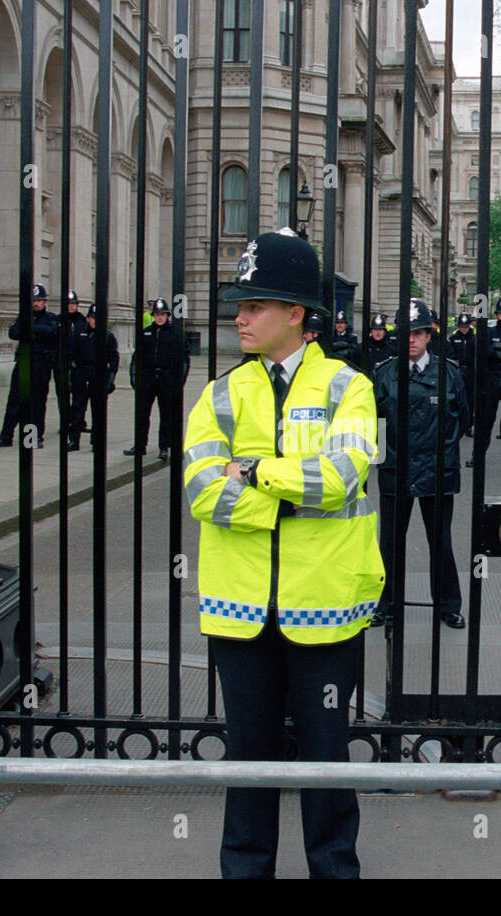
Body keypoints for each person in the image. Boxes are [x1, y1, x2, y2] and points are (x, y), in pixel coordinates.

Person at [182, 228, 383, 878]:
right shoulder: (218, 393)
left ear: (297, 313)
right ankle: (244, 871)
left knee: (325, 758)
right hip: (240, 612)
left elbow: (341, 476)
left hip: (323, 608)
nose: (239, 317)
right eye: (239, 305)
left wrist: (257, 473)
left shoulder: (348, 388)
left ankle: (334, 870)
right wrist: (289, 491)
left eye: (255, 305)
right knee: (249, 759)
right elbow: (202, 492)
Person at [371, 298, 469, 630]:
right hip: (396, 468)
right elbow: (375, 422)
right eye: (405, 333)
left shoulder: (449, 374)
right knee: (390, 542)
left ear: (430, 335)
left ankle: (447, 604)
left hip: (436, 470)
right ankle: (386, 604)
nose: (410, 339)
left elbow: (463, 418)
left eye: (418, 332)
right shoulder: (384, 374)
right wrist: (384, 459)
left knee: (440, 541)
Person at [0, 284, 58, 448]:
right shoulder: (24, 316)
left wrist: (30, 330)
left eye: (39, 300)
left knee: (37, 402)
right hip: (23, 363)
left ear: (44, 302)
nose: (36, 304)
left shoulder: (51, 317)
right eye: (34, 301)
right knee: (14, 400)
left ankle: (34, 437)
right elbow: (13, 333)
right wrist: (35, 332)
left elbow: (51, 332)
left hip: (40, 364)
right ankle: (6, 436)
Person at [125, 296, 188, 461]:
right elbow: (136, 357)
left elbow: (184, 359)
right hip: (147, 376)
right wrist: (134, 376)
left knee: (166, 414)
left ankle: (164, 446)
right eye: (157, 314)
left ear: (167, 315)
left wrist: (179, 380)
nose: (159, 317)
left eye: (163, 314)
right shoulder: (146, 332)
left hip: (166, 377)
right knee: (142, 413)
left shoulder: (175, 333)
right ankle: (140, 445)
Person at [468, 294, 501, 468]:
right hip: (492, 378)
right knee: (485, 421)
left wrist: (499, 348)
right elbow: (485, 352)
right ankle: (477, 457)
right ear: (496, 314)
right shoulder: (490, 331)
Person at [67, 302, 120, 452]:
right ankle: (74, 440)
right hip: (81, 373)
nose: (95, 321)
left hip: (99, 374)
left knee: (98, 410)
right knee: (77, 408)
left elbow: (114, 358)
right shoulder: (79, 334)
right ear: (88, 319)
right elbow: (71, 355)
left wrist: (111, 378)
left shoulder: (108, 337)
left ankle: (96, 441)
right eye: (93, 318)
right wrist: (71, 375)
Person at [447, 312, 477, 434]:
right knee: (457, 398)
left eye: (466, 326)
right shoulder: (453, 338)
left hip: (471, 371)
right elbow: (451, 355)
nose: (464, 329)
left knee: (470, 400)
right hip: (458, 371)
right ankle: (457, 423)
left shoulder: (474, 338)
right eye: (461, 326)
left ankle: (469, 425)